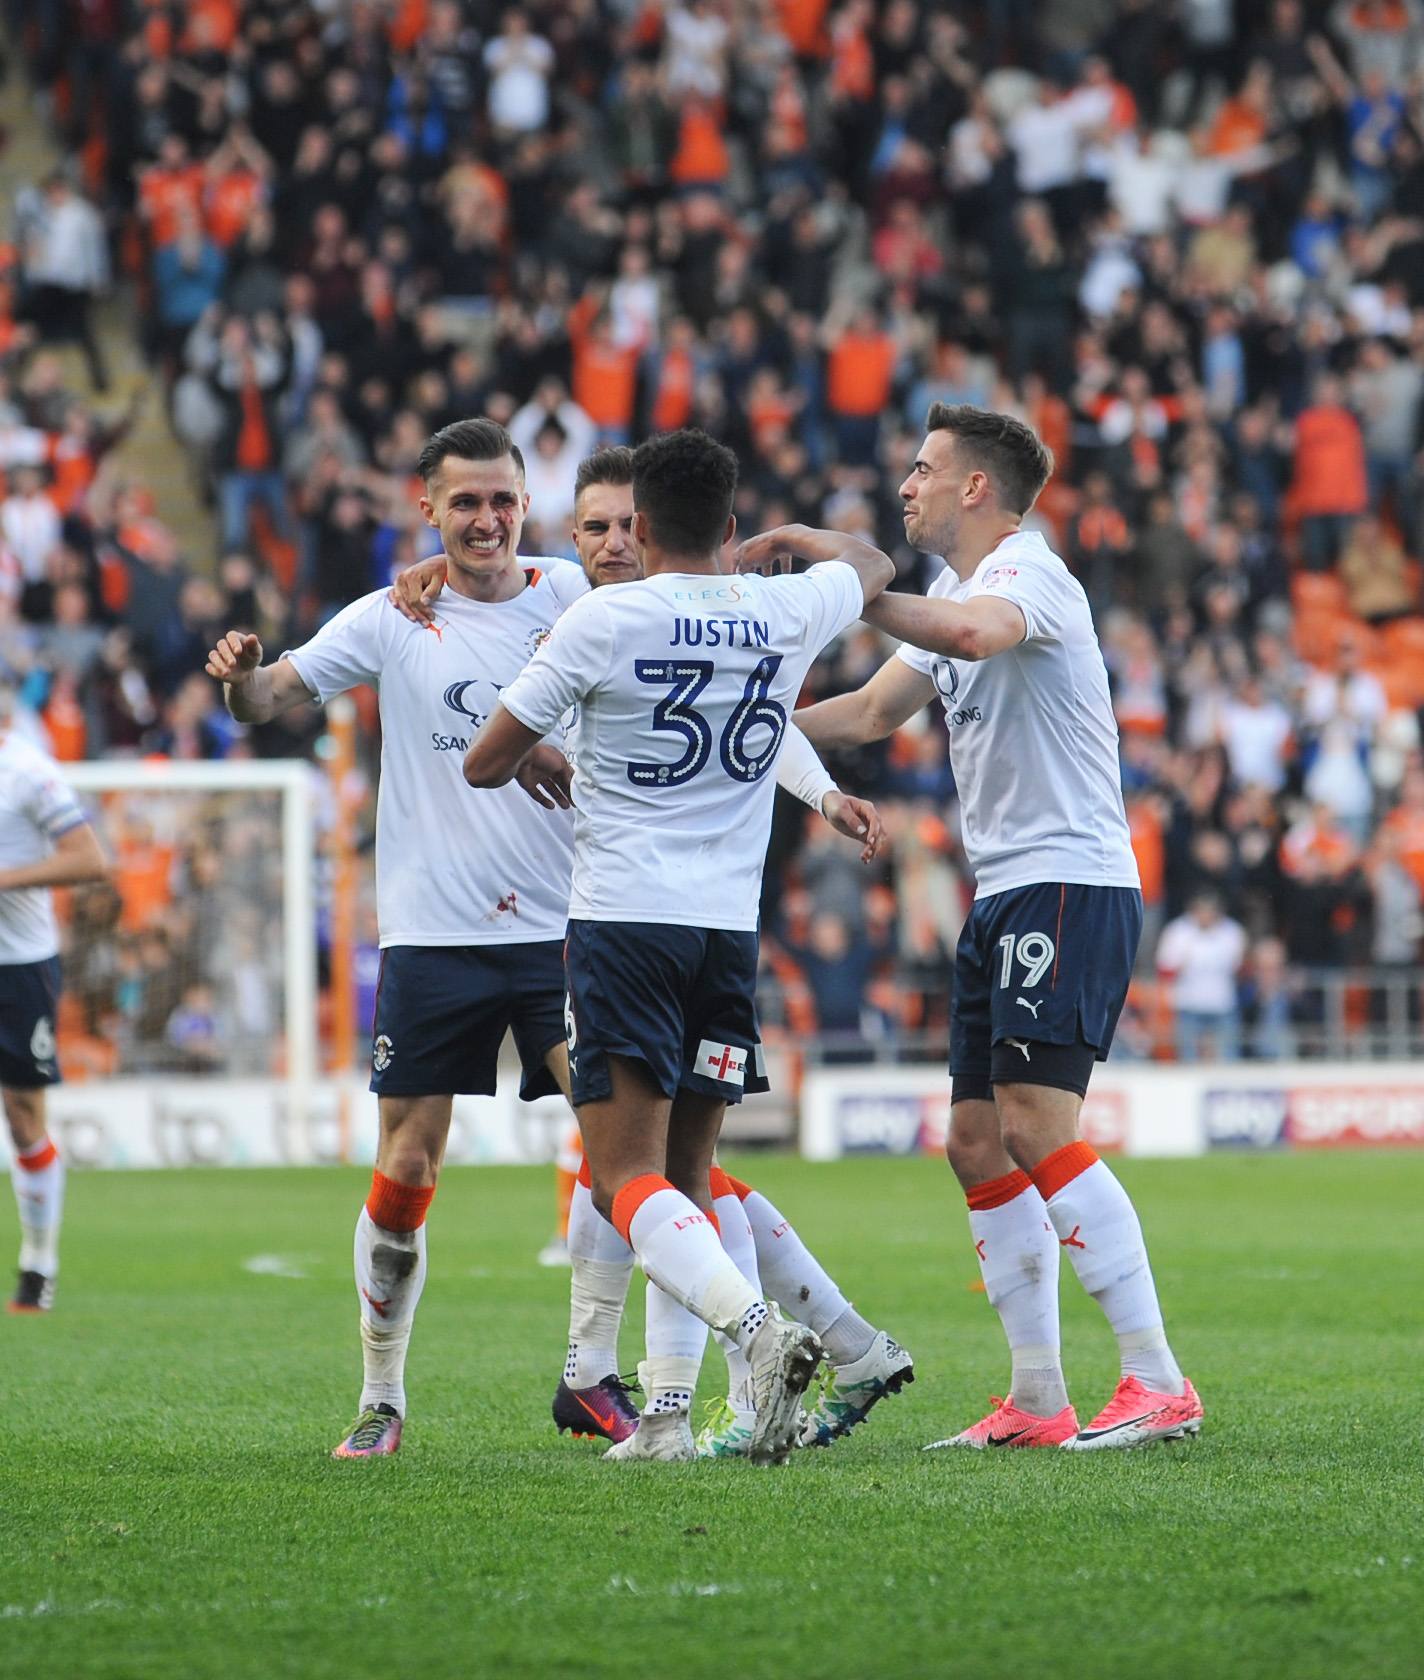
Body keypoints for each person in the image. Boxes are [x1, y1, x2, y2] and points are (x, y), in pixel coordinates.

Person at [212, 423, 868, 1461]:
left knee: (632, 1160)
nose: (484, 521)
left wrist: (817, 789)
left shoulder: (578, 599)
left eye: (502, 502)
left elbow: (689, 669)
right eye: (464, 503)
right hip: (433, 933)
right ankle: (382, 1396)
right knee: (409, 1171)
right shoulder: (391, 616)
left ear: (529, 507)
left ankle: (618, 1382)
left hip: (571, 928)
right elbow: (270, 699)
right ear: (428, 507)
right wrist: (237, 679)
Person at [392, 448, 913, 1457]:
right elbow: (870, 563)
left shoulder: (602, 619)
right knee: (690, 1177)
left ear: (640, 523)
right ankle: (670, 1416)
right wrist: (793, 544)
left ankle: (757, 1336)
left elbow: (487, 759)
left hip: (625, 923)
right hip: (726, 933)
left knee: (623, 1177)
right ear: (727, 528)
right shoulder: (781, 609)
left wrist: (548, 744)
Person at [792, 403, 1203, 1451]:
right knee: (976, 1143)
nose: (905, 487)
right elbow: (874, 714)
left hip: (1065, 882)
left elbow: (975, 636)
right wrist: (738, 726)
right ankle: (1034, 1397)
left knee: (1034, 1126)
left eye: (922, 470)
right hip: (1004, 892)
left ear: (975, 487)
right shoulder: (950, 590)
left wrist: (855, 581)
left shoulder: (1025, 575)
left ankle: (1156, 1380)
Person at [0, 686, 108, 1311]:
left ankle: (38, 1264)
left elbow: (90, 859)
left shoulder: (28, 771)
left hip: (18, 966)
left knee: (22, 1120)